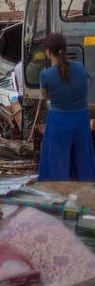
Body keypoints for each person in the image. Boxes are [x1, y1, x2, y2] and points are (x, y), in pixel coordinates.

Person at [38, 32, 95, 181]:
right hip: (81, 119)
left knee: (57, 163)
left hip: (59, 121)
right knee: (83, 161)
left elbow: (46, 97)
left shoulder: (46, 74)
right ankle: (86, 195)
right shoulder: (80, 67)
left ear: (49, 51)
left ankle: (59, 198)